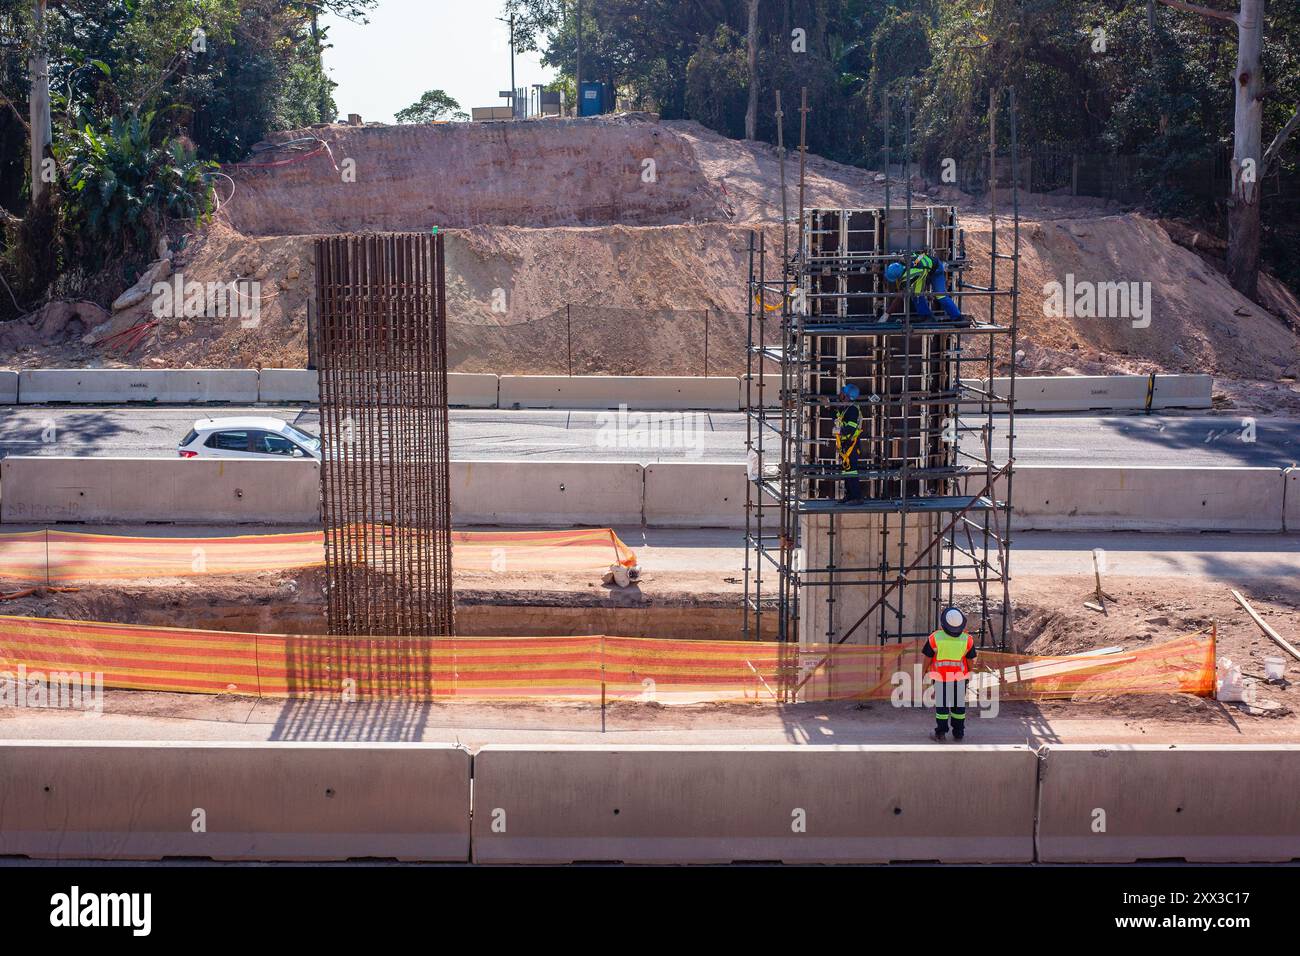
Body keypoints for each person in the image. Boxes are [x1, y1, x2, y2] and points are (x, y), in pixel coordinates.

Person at [922, 606, 977, 740]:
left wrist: (924, 671)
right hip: (960, 678)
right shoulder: (967, 639)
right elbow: (970, 660)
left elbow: (928, 657)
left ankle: (940, 733)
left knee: (942, 706)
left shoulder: (935, 638)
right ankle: (958, 733)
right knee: (958, 706)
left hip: (940, 678)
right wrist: (970, 672)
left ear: (944, 624)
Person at [884, 254, 962, 321]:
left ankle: (957, 317)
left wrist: (887, 314)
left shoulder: (910, 275)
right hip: (924, 270)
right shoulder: (904, 259)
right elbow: (921, 255)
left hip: (936, 270)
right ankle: (926, 316)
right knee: (916, 295)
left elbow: (900, 296)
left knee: (940, 296)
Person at [833, 383, 864, 502]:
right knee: (847, 470)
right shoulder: (847, 408)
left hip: (851, 443)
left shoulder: (852, 410)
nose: (840, 395)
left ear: (846, 396)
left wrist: (840, 431)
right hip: (847, 444)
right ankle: (850, 495)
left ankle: (856, 497)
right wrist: (828, 406)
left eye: (842, 393)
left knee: (851, 470)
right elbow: (838, 418)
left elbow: (851, 428)